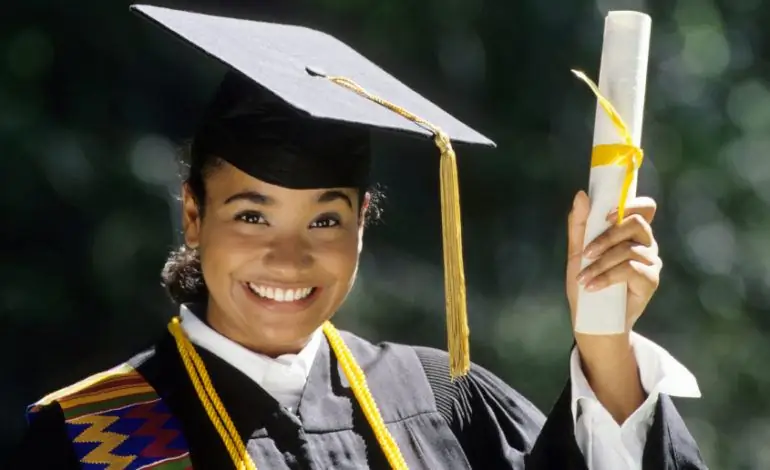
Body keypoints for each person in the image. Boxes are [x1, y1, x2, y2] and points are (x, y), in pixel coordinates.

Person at [8, 4, 707, 470]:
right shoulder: (100, 434)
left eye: (325, 220)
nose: (289, 256)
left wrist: (603, 339)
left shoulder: (439, 396)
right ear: (193, 214)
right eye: (252, 215)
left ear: (363, 224)